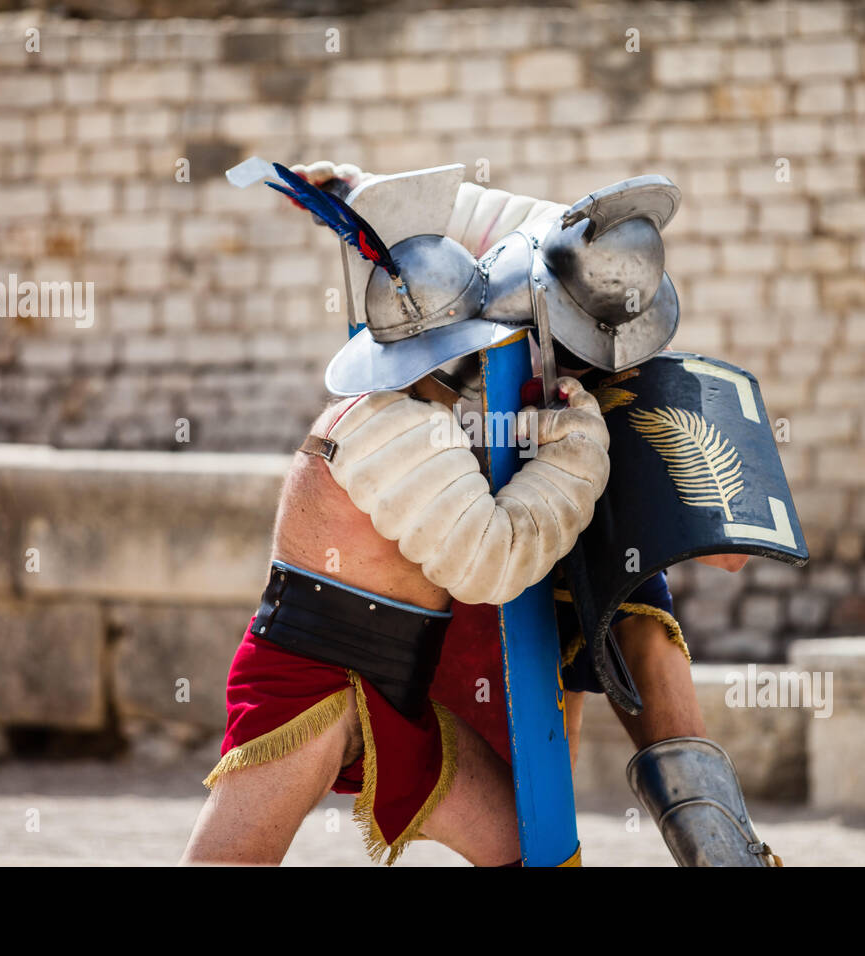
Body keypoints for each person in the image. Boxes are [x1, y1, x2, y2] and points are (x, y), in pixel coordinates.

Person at [284, 161, 784, 867]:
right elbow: (421, 219)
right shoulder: (515, 237)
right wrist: (359, 194)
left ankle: (719, 851)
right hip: (488, 509)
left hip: (579, 501)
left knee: (635, 616)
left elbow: (723, 541)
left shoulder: (622, 298)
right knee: (535, 723)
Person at [181, 163, 612, 866]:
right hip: (311, 686)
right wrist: (578, 447)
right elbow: (491, 562)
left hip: (394, 693)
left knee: (527, 845)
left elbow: (557, 224)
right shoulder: (393, 428)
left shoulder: (411, 414)